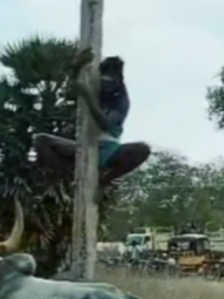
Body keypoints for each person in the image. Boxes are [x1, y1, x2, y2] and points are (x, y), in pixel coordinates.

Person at [32, 55, 150, 202]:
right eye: (104, 80)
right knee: (40, 140)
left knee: (143, 149)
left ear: (118, 81)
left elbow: (105, 124)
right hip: (81, 146)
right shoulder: (96, 87)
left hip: (108, 150)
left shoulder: (121, 99)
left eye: (111, 82)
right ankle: (63, 179)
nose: (107, 85)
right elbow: (71, 91)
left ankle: (104, 181)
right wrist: (76, 67)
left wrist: (87, 95)